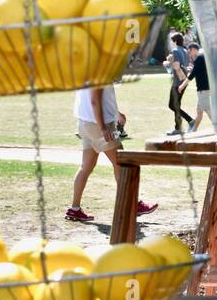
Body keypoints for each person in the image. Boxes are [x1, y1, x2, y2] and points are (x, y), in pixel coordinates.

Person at [66, 84, 157, 222]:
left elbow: (99, 98)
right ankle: (132, 204)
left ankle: (74, 209)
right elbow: (94, 100)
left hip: (85, 124)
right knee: (123, 164)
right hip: (99, 125)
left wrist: (117, 113)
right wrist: (103, 128)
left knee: (86, 167)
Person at [179, 40, 211, 133]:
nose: (189, 54)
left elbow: (192, 75)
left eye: (189, 51)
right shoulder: (202, 57)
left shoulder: (199, 58)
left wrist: (182, 86)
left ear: (193, 49)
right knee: (199, 112)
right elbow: (197, 71)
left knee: (207, 109)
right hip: (204, 88)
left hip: (203, 89)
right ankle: (194, 130)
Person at [165, 31, 193, 135]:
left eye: (172, 41)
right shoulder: (185, 50)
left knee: (172, 105)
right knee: (176, 105)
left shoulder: (175, 51)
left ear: (175, 41)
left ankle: (189, 120)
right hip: (184, 81)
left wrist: (168, 64)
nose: (171, 43)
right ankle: (178, 128)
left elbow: (176, 66)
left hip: (177, 82)